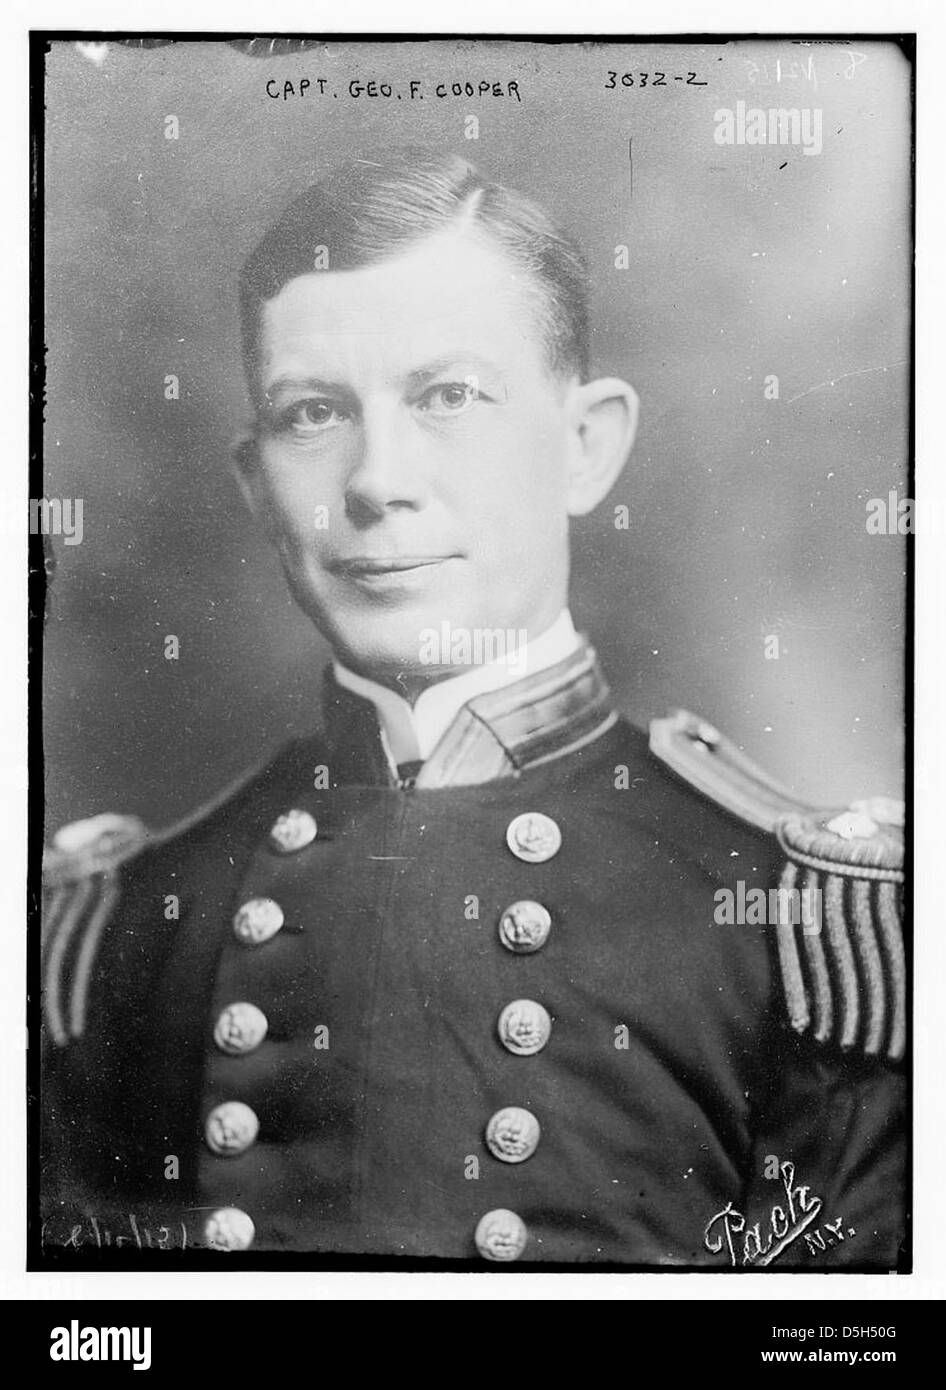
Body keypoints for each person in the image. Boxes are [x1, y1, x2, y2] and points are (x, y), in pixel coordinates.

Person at [39, 148, 906, 1268]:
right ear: (257, 486)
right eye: (313, 412)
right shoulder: (118, 922)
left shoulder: (798, 921)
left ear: (585, 447)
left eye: (450, 395)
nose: (375, 478)